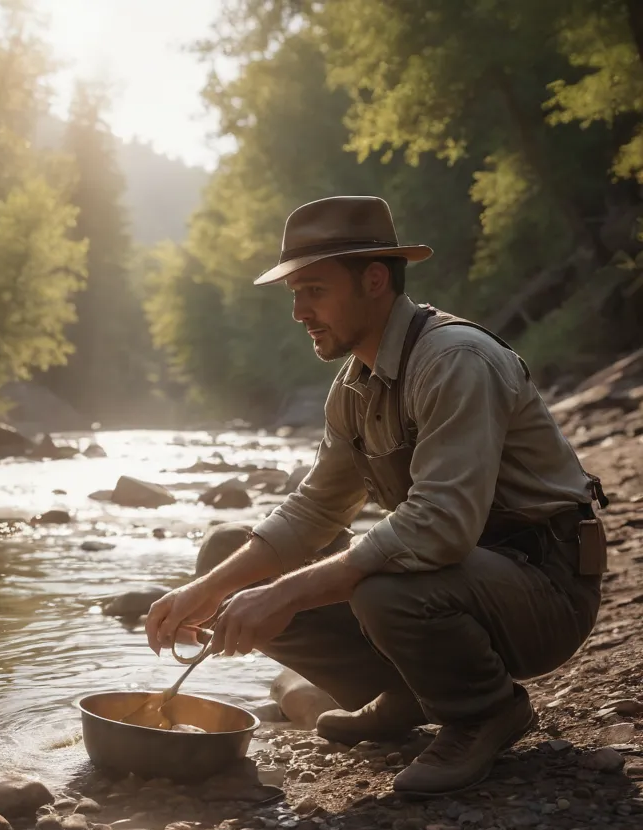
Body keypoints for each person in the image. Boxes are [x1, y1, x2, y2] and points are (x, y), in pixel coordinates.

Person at [145, 195, 607, 797]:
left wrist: (282, 595)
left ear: (373, 279)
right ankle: (411, 696)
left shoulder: (455, 361)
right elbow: (313, 510)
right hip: (460, 581)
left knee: (386, 589)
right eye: (293, 292)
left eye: (312, 289)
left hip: (545, 590)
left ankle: (484, 712)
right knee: (229, 555)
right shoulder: (354, 388)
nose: (297, 311)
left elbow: (438, 527)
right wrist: (206, 590)